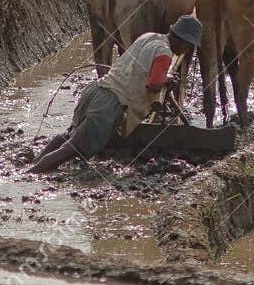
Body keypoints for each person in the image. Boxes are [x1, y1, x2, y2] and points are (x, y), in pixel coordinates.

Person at [28, 17, 204, 173]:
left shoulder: (148, 37)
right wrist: (167, 81)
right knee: (71, 148)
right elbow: (154, 86)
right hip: (109, 104)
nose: (188, 50)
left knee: (69, 135)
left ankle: (34, 162)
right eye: (189, 46)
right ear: (182, 41)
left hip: (95, 90)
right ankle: (31, 174)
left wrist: (162, 77)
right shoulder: (164, 55)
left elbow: (140, 68)